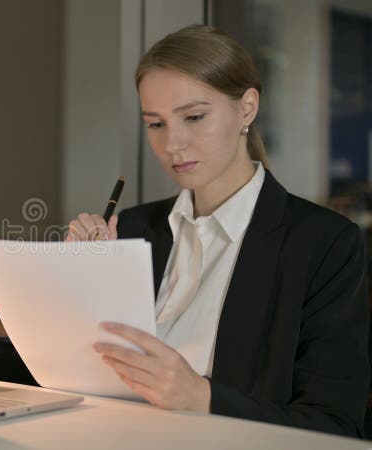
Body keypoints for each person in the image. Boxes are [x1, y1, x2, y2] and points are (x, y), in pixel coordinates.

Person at [66, 24, 369, 437]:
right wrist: (79, 282)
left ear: (247, 108)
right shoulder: (132, 230)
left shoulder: (323, 244)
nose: (173, 144)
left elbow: (335, 425)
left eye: (193, 117)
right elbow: (87, 380)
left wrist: (202, 399)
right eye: (156, 124)